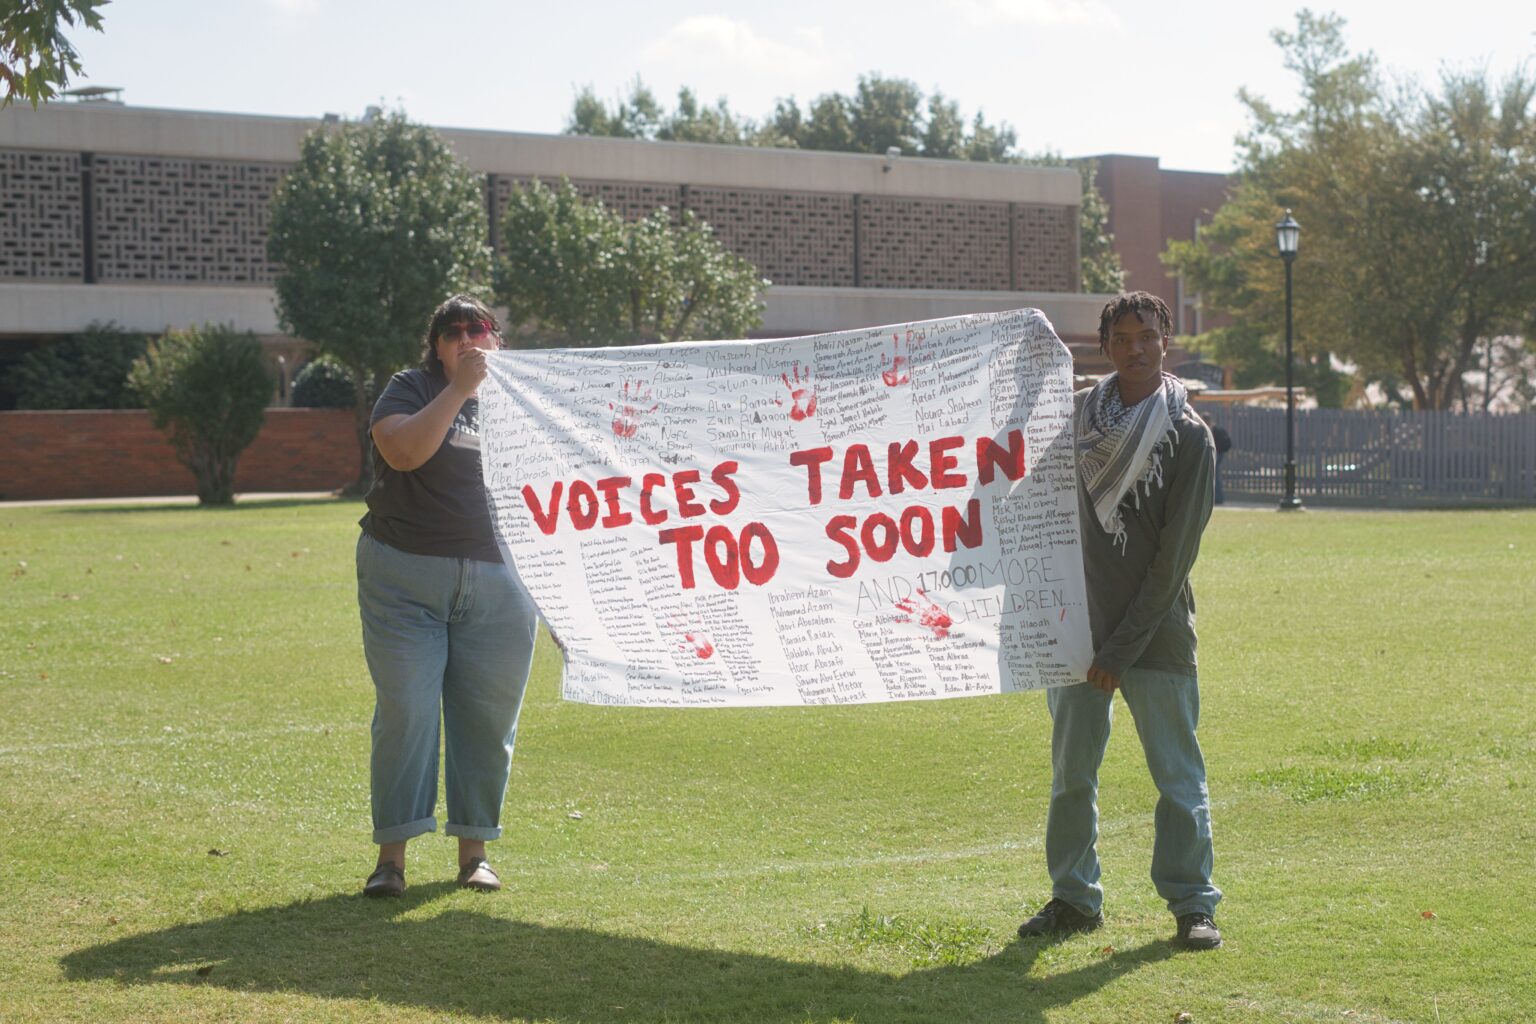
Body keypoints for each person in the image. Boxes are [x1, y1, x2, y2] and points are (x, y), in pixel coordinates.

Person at [1018, 291, 1222, 950]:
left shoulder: (1189, 436)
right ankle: (1074, 899)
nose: (1137, 349)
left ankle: (1193, 905)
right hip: (1074, 633)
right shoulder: (1072, 422)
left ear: (1167, 343)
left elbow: (1172, 561)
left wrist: (1122, 649)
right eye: (1124, 338)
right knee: (1071, 776)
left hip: (1154, 636)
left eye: (1149, 338)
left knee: (1178, 780)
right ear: (1106, 347)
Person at [355, 293, 539, 897]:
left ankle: (474, 853)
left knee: (487, 719)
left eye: (478, 328)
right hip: (405, 577)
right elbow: (403, 452)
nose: (466, 337)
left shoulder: (523, 401)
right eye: (452, 330)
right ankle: (392, 861)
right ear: (436, 345)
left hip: (499, 583)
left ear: (497, 341)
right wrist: (459, 389)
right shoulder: (410, 388)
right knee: (406, 711)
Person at [1209, 422, 1232, 505]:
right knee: (1216, 475)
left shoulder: (1213, 430)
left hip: (1217, 454)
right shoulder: (1219, 430)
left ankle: (1217, 498)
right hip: (1220, 453)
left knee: (1215, 476)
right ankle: (1218, 497)